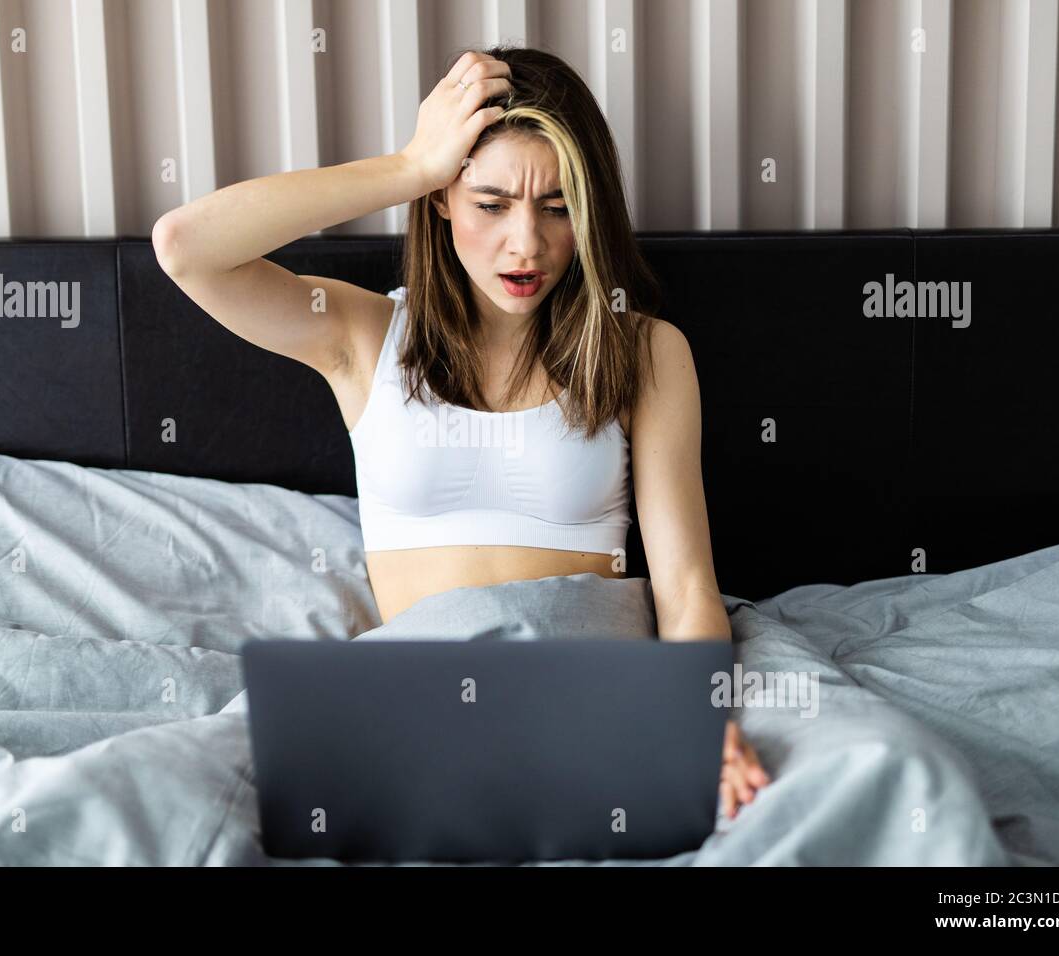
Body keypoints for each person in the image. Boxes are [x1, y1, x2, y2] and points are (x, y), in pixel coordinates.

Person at [152, 45, 768, 819]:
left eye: (557, 206)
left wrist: (701, 721)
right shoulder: (362, 335)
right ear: (443, 199)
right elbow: (185, 247)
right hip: (419, 696)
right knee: (173, 799)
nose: (527, 245)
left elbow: (684, 589)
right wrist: (409, 165)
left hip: (581, 685)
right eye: (490, 202)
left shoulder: (642, 351)